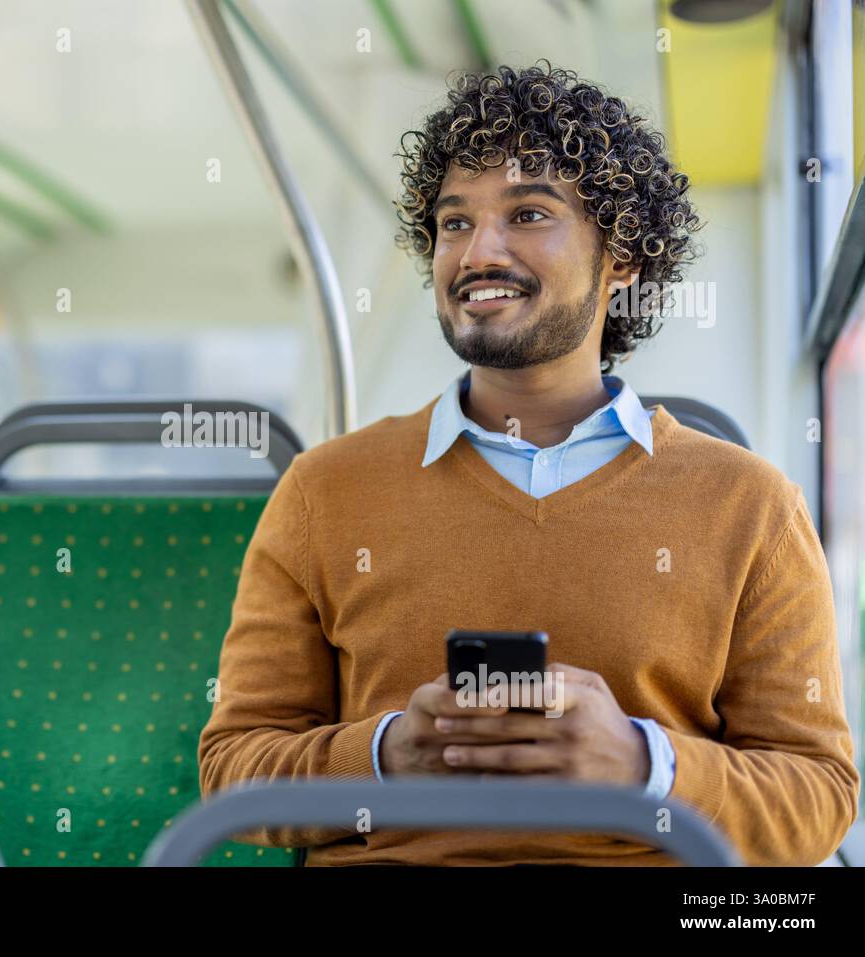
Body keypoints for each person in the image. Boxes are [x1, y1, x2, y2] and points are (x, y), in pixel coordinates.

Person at [197, 63, 859, 866]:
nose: (480, 251)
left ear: (623, 260)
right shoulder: (323, 492)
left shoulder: (751, 506)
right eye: (454, 223)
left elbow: (818, 796)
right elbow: (232, 772)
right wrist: (384, 757)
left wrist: (644, 766)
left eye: (528, 213)